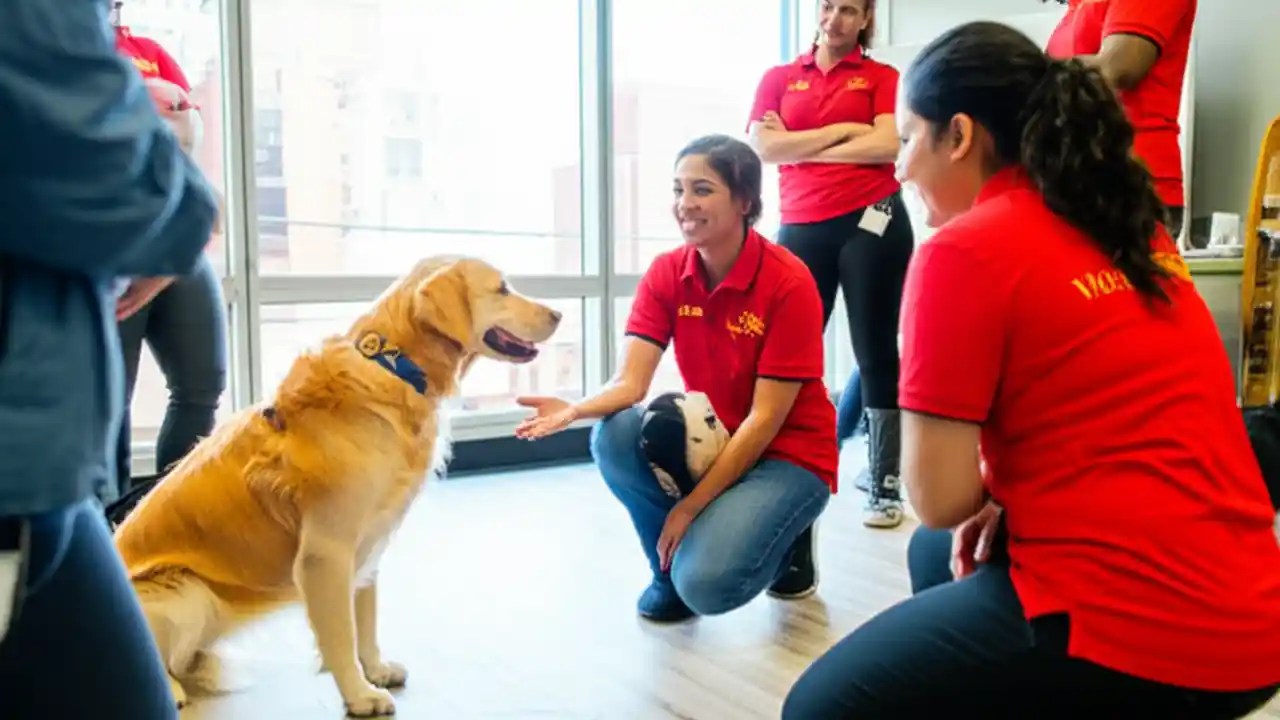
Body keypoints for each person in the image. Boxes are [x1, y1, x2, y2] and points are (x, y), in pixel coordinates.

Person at [782, 21, 1280, 717]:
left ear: (958, 136)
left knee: (818, 708)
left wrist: (989, 492)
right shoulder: (1135, 229)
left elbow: (939, 497)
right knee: (935, 557)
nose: (898, 169)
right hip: (1255, 616)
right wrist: (1007, 495)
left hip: (1151, 632)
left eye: (906, 142)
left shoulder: (964, 251)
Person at [0, 0, 219, 717]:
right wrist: (183, 205)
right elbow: (111, 173)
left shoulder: (146, 43)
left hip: (37, 474)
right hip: (20, 464)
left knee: (199, 389)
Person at [515, 135, 836, 621]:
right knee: (615, 434)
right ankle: (664, 571)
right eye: (678, 189)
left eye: (702, 189)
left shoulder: (789, 283)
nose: (684, 204)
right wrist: (574, 409)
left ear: (744, 201)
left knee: (707, 586)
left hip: (786, 452)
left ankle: (786, 533)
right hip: (714, 440)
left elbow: (766, 419)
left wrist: (690, 509)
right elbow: (630, 385)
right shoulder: (668, 272)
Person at [747, 0, 913, 530]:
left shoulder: (881, 76)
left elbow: (887, 144)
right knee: (789, 352)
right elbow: (761, 148)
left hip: (874, 217)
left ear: (865, 18)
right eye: (827, 5)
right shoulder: (778, 76)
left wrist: (797, 146)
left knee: (874, 349)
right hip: (801, 223)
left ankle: (883, 482)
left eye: (848, 9)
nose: (835, 18)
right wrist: (843, 133)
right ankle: (783, 467)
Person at [111, 2, 227, 496]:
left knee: (202, 386)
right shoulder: (64, 52)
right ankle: (105, 529)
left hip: (176, 241)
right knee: (109, 405)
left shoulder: (150, 51)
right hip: (114, 248)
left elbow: (186, 137)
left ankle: (174, 517)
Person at [1044, 0, 1197, 239]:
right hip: (1077, 178)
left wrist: (1030, 76)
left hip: (1125, 183)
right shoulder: (1079, 8)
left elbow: (1120, 66)